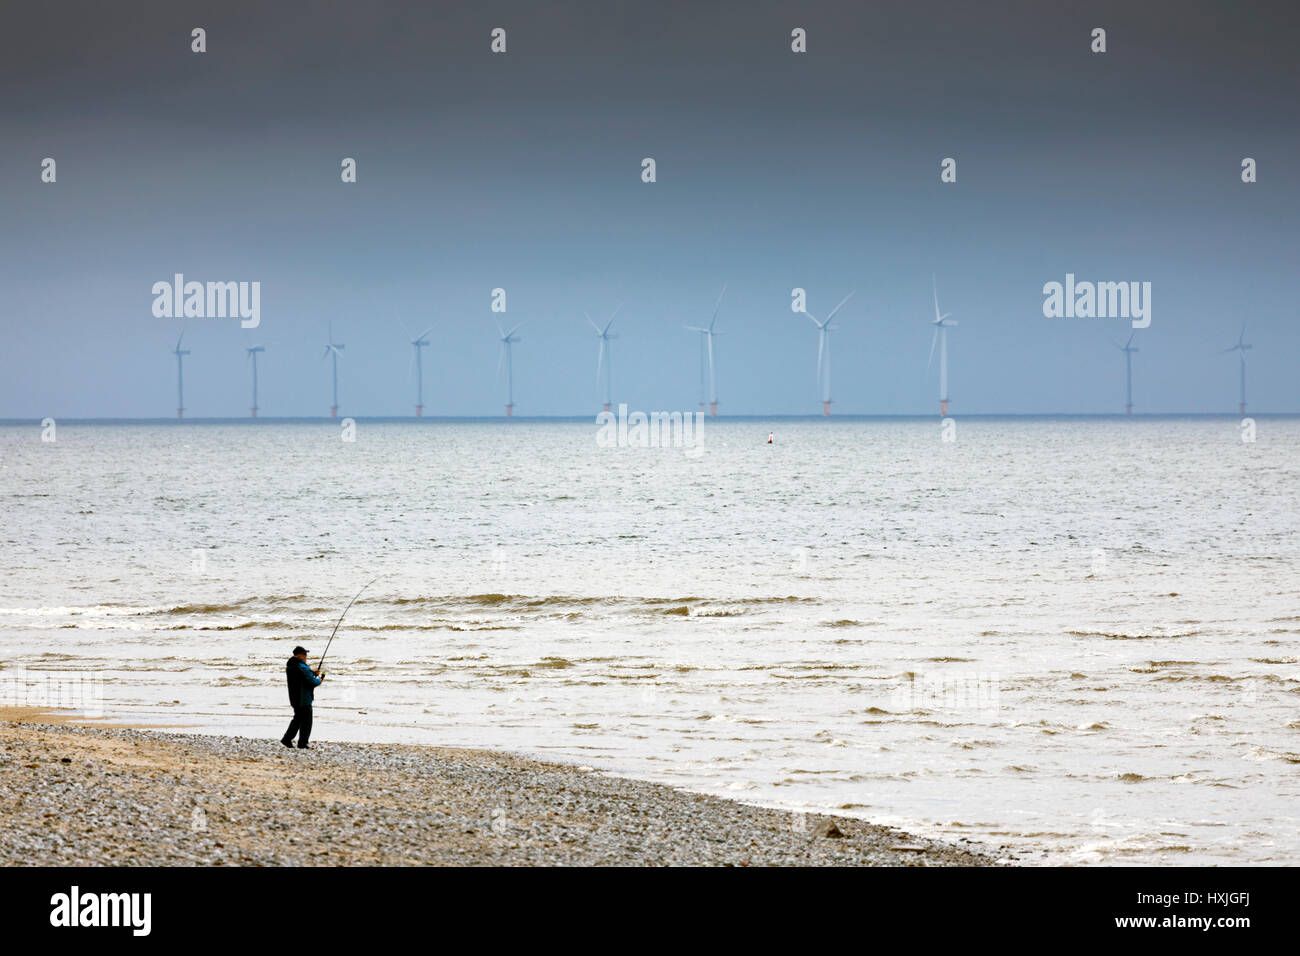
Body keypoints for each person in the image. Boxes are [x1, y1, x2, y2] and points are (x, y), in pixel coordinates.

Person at [281, 645, 324, 749]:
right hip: (303, 699)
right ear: (300, 655)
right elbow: (312, 682)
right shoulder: (301, 667)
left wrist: (312, 672)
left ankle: (287, 739)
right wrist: (320, 680)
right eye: (305, 655)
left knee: (297, 719)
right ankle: (302, 743)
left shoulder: (291, 665)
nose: (306, 657)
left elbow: (303, 676)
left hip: (295, 698)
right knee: (306, 722)